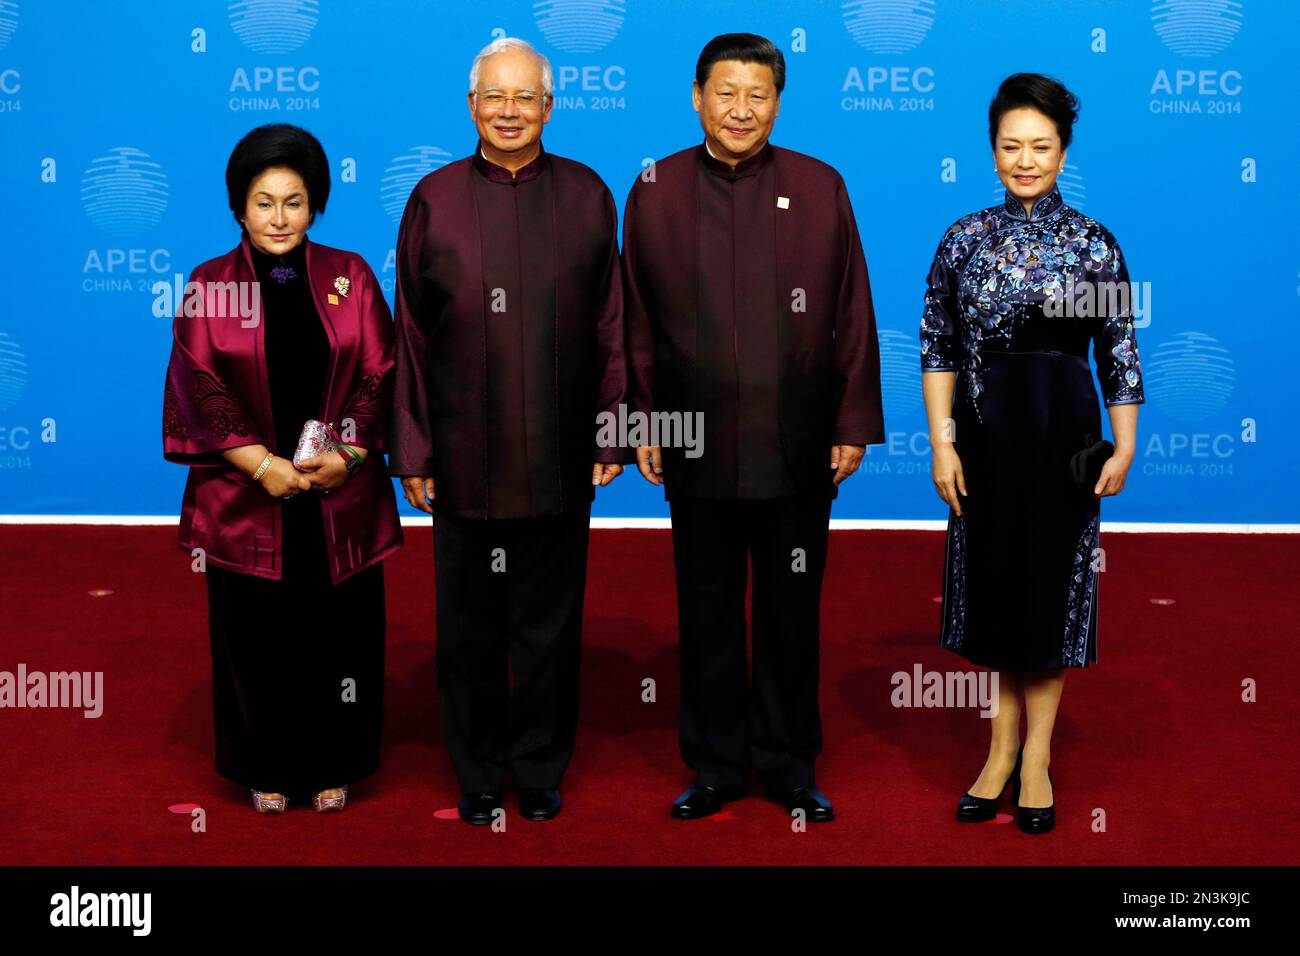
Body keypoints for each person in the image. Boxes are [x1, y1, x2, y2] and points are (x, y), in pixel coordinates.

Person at [623, 33, 884, 822]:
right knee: (703, 607)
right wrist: (644, 419)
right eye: (725, 92)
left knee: (790, 606)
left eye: (758, 94)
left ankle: (789, 760)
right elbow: (633, 316)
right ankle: (714, 764)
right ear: (697, 96)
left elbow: (853, 313)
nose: (741, 109)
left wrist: (851, 422)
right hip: (694, 440)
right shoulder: (655, 187)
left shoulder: (818, 185)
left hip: (797, 439)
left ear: (778, 101)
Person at [387, 38, 630, 825]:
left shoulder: (590, 195)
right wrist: (413, 448)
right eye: (496, 97)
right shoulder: (433, 199)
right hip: (460, 459)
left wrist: (610, 432)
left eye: (526, 98)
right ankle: (479, 769)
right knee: (468, 632)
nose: (510, 111)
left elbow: (611, 324)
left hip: (561, 458)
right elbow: (412, 337)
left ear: (550, 107)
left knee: (550, 628)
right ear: (471, 106)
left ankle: (540, 766)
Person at [919, 73, 1144, 834]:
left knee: (1048, 598)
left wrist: (1126, 446)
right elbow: (938, 348)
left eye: (1040, 146)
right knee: (998, 594)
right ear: (991, 153)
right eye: (1011, 146)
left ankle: (1037, 756)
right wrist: (943, 445)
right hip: (984, 443)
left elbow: (1119, 353)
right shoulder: (962, 240)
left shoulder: (1092, 243)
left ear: (1063, 152)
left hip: (1067, 445)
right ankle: (998, 750)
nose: (1025, 159)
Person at [163, 123, 402, 814]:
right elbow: (197, 383)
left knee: (341, 637)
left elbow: (380, 373)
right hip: (246, 499)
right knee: (255, 639)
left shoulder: (349, 275)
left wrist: (348, 455)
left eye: (293, 201)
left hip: (339, 495)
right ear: (239, 206)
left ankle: (336, 760)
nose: (278, 218)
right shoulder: (210, 282)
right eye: (263, 202)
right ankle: (263, 766)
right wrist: (262, 465)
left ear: (315, 205)